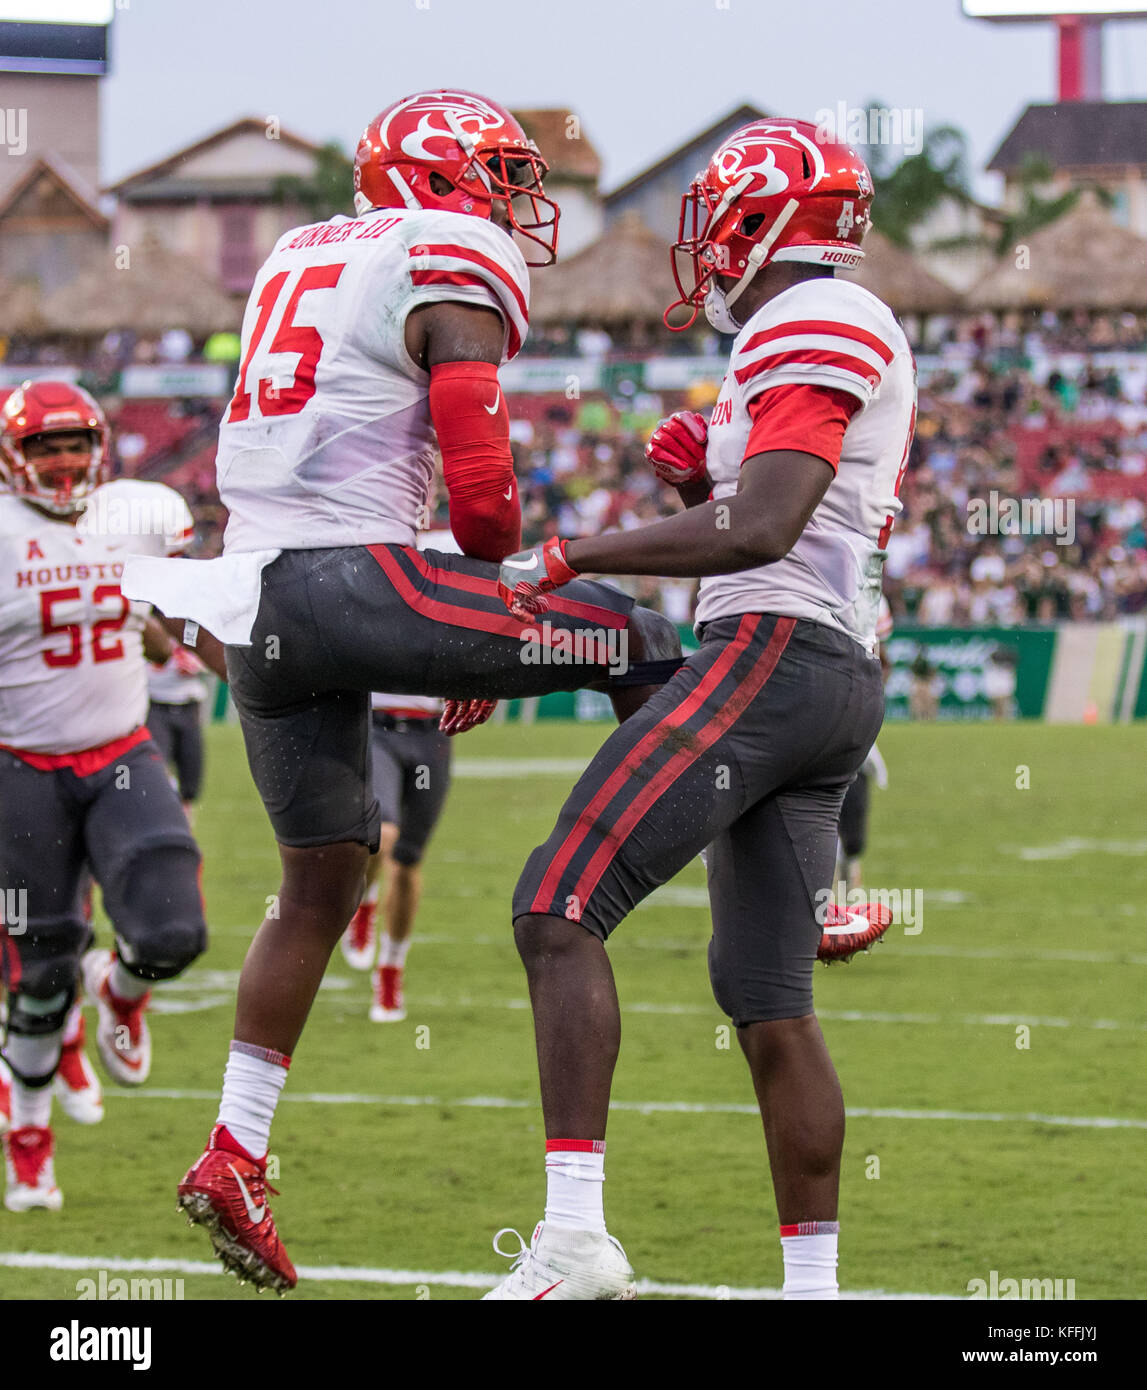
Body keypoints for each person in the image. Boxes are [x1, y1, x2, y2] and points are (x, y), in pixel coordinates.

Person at [122, 89, 680, 1293]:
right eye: (493, 176)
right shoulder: (446, 249)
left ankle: (234, 1147)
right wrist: (476, 611)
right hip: (356, 584)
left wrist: (462, 632)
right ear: (437, 178)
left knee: (320, 876)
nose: (510, 204)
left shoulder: (300, 248)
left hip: (262, 605)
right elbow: (484, 505)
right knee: (636, 638)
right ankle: (755, 895)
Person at [485, 118, 916, 1299]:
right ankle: (813, 1290)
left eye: (718, 218)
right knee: (769, 1000)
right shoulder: (799, 333)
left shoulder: (814, 316)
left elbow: (765, 526)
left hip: (773, 656)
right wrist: (693, 481)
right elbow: (769, 515)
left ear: (764, 218)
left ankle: (574, 1237)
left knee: (556, 902)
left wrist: (573, 551)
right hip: (824, 675)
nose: (708, 246)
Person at [0, 382, 211, 1211]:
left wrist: (165, 631)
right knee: (40, 972)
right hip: (21, 768)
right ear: (14, 457)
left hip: (122, 750)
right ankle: (29, 1130)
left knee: (173, 929)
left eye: (74, 444)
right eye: (45, 447)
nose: (62, 462)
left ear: (101, 448)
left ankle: (120, 988)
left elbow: (173, 613)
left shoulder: (140, 513)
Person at [340, 689, 452, 1024]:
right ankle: (364, 902)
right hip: (377, 729)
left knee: (408, 861)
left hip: (432, 734)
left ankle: (390, 967)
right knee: (382, 833)